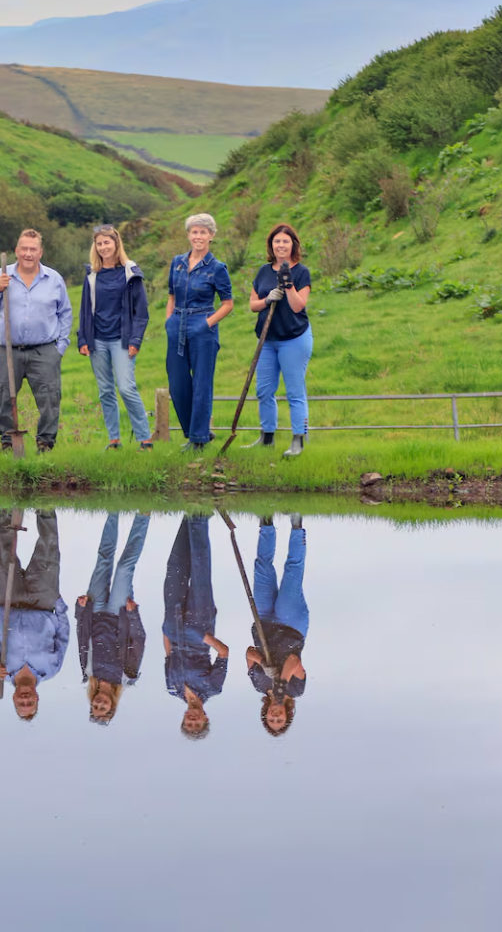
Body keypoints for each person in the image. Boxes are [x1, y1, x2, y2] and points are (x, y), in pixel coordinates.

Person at [0, 229, 72, 454]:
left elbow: (65, 313)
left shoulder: (54, 279)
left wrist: (60, 347)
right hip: (7, 350)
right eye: (24, 249)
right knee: (2, 395)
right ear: (16, 251)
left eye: (33, 249)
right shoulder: (2, 275)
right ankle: (8, 442)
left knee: (50, 396)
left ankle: (45, 443)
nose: (28, 254)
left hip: (44, 350)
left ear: (40, 252)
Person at [0, 507, 67, 721]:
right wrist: (59, 603)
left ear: (14, 699)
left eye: (21, 703)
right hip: (43, 601)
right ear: (37, 699)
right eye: (30, 703)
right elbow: (63, 635)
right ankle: (45, 502)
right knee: (49, 547)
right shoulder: (51, 670)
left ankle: (9, 500)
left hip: (7, 602)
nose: (25, 699)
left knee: (2, 549)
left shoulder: (0, 672)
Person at [76, 225, 152, 450]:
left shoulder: (130, 272)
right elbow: (84, 310)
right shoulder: (92, 275)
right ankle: (114, 439)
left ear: (116, 244)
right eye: (99, 244)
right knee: (106, 390)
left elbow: (142, 312)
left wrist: (135, 340)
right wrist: (83, 339)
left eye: (107, 242)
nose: (103, 247)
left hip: (122, 339)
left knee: (126, 387)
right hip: (97, 339)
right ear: (95, 247)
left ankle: (145, 438)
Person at [164, 213, 234, 449]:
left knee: (202, 384)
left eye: (203, 232)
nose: (198, 236)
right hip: (177, 324)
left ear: (211, 236)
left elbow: (228, 304)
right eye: (194, 232)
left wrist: (207, 323)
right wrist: (169, 322)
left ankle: (198, 439)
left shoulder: (217, 268)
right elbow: (171, 295)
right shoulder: (178, 262)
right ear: (188, 235)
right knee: (177, 384)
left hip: (203, 325)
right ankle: (195, 431)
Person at [76, 512, 149, 725]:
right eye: (103, 708)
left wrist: (80, 609)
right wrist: (133, 614)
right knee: (125, 567)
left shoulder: (88, 673)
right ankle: (143, 516)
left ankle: (113, 510)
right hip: (119, 614)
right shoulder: (127, 676)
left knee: (103, 559)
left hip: (96, 610)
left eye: (95, 706)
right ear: (112, 705)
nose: (99, 703)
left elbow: (82, 637)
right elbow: (139, 641)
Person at [248, 223, 314, 457]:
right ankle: (267, 437)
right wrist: (267, 299)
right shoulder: (264, 272)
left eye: (285, 241)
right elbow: (253, 304)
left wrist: (287, 286)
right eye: (277, 241)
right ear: (271, 245)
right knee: (264, 390)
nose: (281, 245)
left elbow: (298, 306)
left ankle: (298, 439)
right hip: (267, 339)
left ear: (293, 244)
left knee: (295, 391)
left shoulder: (301, 272)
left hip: (294, 338)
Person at [162, 513, 227, 739]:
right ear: (205, 718)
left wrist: (166, 629)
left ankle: (187, 516)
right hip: (201, 624)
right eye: (196, 724)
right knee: (200, 568)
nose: (192, 721)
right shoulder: (212, 687)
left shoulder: (172, 688)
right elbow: (224, 652)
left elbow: (168, 654)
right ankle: (200, 516)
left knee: (174, 568)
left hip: (175, 625)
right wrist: (202, 636)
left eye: (187, 725)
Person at [247, 514, 309, 737]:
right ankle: (296, 526)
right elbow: (294, 661)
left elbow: (249, 653)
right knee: (292, 572)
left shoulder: (259, 685)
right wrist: (282, 684)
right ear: (286, 715)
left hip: (264, 623)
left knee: (262, 568)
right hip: (291, 625)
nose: (275, 716)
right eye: (279, 719)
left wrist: (263, 663)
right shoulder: (296, 690)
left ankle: (266, 522)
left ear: (265, 713)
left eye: (271, 719)